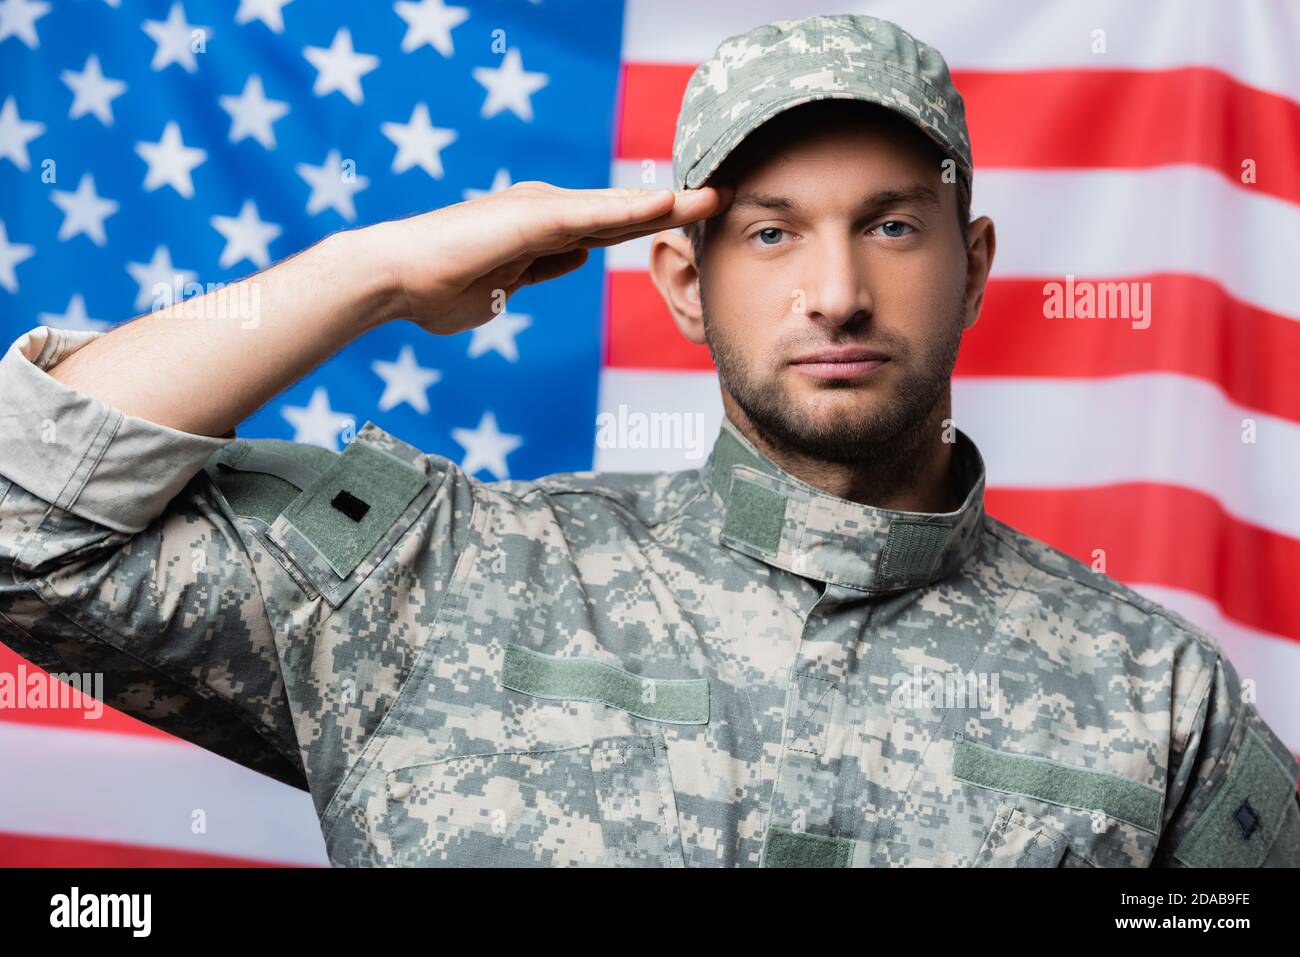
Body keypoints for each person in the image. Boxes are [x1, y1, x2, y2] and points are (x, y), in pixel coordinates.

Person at [0, 13, 1296, 868]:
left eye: (892, 226)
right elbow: (22, 523)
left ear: (973, 266)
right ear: (682, 282)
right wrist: (373, 271)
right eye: (772, 232)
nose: (836, 291)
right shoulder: (432, 579)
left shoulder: (1155, 700)